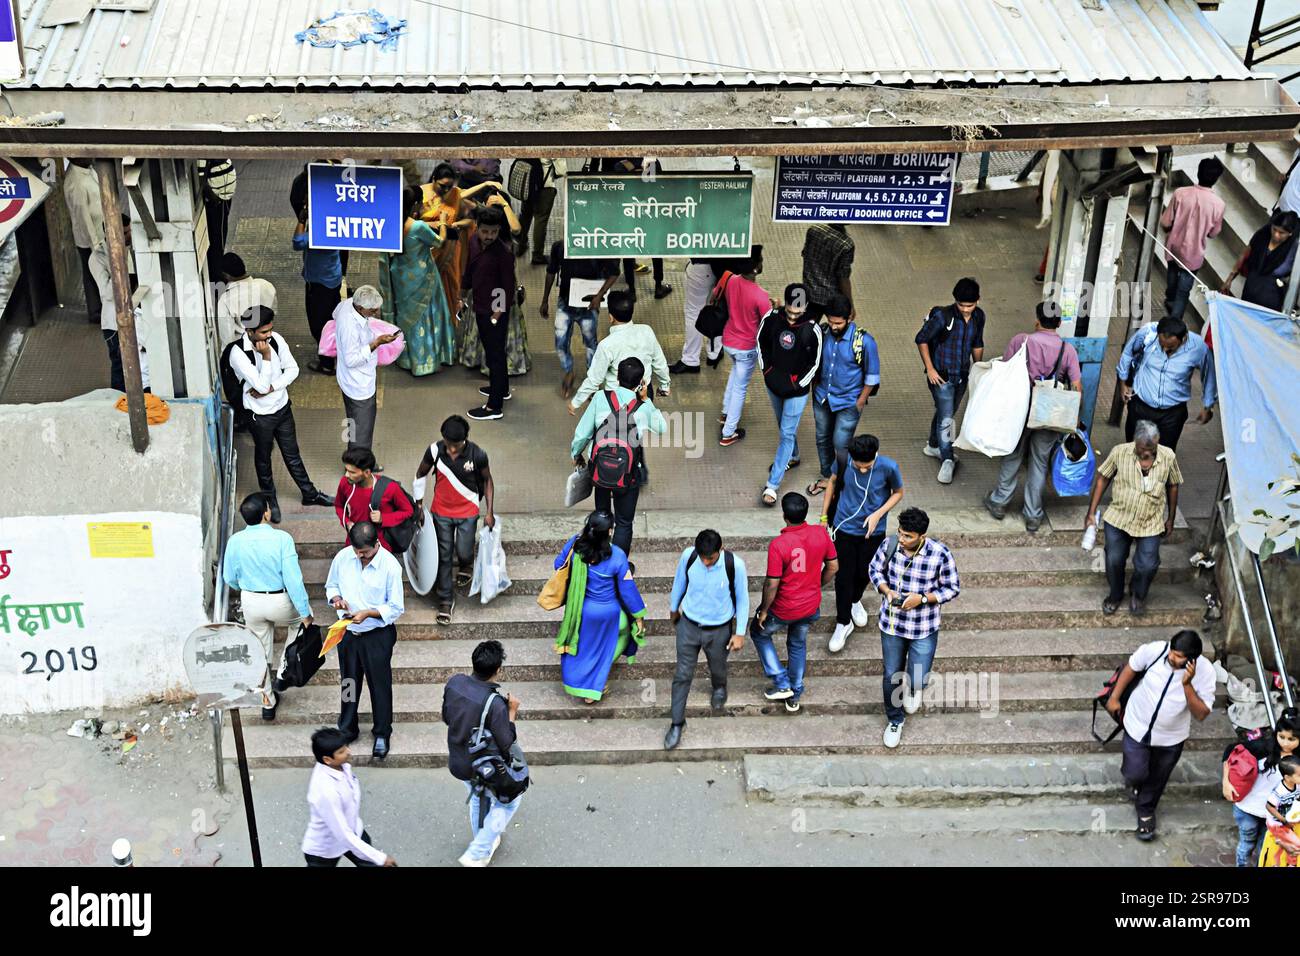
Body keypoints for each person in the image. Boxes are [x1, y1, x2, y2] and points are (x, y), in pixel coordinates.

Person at [226, 306, 334, 522]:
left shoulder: (276, 339)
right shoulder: (237, 353)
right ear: (250, 331)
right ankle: (270, 500)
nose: (269, 335)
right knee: (264, 458)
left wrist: (274, 387)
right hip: (259, 416)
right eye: (264, 332)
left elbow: (292, 370)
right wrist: (266, 357)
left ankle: (309, 494)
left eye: (270, 330)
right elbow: (260, 384)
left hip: (282, 408)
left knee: (292, 454)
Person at [1105, 630, 1214, 842]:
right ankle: (1135, 784)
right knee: (1134, 771)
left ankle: (1145, 812)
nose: (1173, 658)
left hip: (1171, 736)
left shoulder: (1206, 672)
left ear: (1192, 659)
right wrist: (1115, 698)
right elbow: (1130, 668)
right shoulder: (1154, 651)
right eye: (1172, 652)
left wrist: (1187, 684)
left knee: (1157, 777)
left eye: (1179, 656)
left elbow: (1201, 714)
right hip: (1137, 724)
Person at [984, 301, 1083, 533]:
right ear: (1059, 323)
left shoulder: (1021, 341)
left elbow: (1005, 372)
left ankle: (999, 502)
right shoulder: (1067, 350)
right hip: (1049, 412)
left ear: (1037, 320)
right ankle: (1033, 515)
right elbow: (1076, 385)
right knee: (1039, 462)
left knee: (1013, 456)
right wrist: (1074, 418)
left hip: (1019, 408)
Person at [868, 507, 961, 749]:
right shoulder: (890, 545)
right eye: (900, 533)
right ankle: (895, 720)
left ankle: (914, 688)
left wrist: (920, 599)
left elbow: (952, 588)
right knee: (891, 675)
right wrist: (886, 591)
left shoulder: (940, 554)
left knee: (919, 676)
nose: (902, 539)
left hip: (923, 627)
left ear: (922, 536)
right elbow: (875, 570)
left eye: (908, 536)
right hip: (892, 624)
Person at [223, 493, 314, 720]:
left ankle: (267, 703)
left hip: (251, 601)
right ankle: (284, 670)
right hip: (279, 600)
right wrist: (305, 611)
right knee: (297, 626)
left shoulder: (234, 541)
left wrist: (244, 586)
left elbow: (228, 578)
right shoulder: (282, 539)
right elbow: (293, 579)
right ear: (266, 513)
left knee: (260, 651)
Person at [571, 357, 667, 556]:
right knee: (624, 522)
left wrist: (576, 454)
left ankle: (598, 558)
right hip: (628, 473)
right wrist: (646, 399)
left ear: (616, 377)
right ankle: (619, 566)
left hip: (600, 469)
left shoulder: (600, 398)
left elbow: (582, 434)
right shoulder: (643, 407)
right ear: (641, 382)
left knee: (602, 514)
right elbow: (661, 427)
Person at [1086, 421, 1183, 617]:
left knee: (1148, 565)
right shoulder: (1120, 452)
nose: (1145, 453)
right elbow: (1103, 478)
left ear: (1157, 444)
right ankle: (1115, 595)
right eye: (1141, 449)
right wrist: (1091, 512)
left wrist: (1171, 518)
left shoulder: (1168, 457)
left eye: (1150, 449)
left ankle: (1138, 594)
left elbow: (1173, 485)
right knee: (1113, 559)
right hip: (1119, 517)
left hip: (1150, 521)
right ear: (1135, 443)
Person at [325, 521, 405, 759]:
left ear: (377, 545)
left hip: (377, 635)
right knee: (348, 682)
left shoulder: (390, 566)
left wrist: (368, 613)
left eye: (365, 553)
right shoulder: (342, 558)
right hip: (348, 632)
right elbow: (331, 585)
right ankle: (347, 726)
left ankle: (382, 732)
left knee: (379, 685)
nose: (360, 557)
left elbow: (396, 607)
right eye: (357, 552)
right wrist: (337, 598)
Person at [664, 529, 749, 750]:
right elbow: (679, 582)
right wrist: (674, 609)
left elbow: (742, 599)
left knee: (717, 666)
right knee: (682, 674)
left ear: (720, 549)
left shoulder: (735, 565)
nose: (705, 562)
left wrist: (739, 632)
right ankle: (676, 723)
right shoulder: (689, 556)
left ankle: (719, 688)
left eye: (710, 558)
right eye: (702, 557)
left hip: (719, 629)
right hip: (689, 626)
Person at [753, 493, 837, 713]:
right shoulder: (821, 534)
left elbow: (772, 584)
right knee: (797, 643)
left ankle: (781, 682)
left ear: (784, 516)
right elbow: (833, 567)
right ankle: (795, 694)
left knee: (759, 633)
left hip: (784, 607)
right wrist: (817, 585)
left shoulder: (779, 544)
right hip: (810, 606)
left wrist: (763, 611)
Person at [552, 511, 648, 704]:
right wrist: (639, 617)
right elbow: (628, 590)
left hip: (583, 611)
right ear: (610, 531)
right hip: (610, 613)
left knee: (582, 648)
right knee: (623, 634)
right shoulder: (618, 556)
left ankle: (586, 684)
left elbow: (558, 565)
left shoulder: (575, 545)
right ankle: (598, 677)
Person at [442, 640, 522, 866]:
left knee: (478, 800)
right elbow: (506, 742)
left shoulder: (454, 682)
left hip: (458, 759)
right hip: (483, 766)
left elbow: (447, 717)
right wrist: (512, 713)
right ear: (497, 670)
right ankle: (479, 849)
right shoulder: (495, 703)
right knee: (509, 802)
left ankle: (483, 843)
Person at [822, 434, 904, 654]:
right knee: (843, 577)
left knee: (865, 573)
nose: (863, 470)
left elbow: (898, 493)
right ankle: (842, 622)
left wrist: (878, 514)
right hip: (844, 527)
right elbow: (831, 482)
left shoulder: (888, 467)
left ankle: (855, 599)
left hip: (873, 531)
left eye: (867, 466)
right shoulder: (843, 460)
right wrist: (823, 518)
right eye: (859, 466)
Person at [413, 415, 496, 626]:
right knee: (444, 555)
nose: (451, 450)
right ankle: (445, 599)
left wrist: (489, 512)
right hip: (441, 512)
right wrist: (419, 504)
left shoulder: (477, 454)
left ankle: (467, 565)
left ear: (465, 440)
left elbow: (487, 480)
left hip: (468, 511)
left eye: (456, 446)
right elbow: (421, 475)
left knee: (465, 549)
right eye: (448, 445)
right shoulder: (434, 450)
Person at [757, 283, 823, 506]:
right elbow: (760, 344)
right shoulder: (772, 318)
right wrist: (767, 372)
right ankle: (793, 456)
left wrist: (797, 384)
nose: (793, 316)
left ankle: (772, 485)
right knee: (783, 425)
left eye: (798, 312)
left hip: (797, 392)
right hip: (773, 385)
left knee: (786, 432)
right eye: (790, 311)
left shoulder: (813, 329)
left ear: (805, 307)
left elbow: (815, 364)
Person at [915, 277, 986, 484]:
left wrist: (977, 368)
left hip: (962, 375)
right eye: (961, 305)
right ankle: (947, 458)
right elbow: (921, 339)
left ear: (978, 301)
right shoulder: (943, 317)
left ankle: (933, 444)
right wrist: (930, 369)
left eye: (970, 305)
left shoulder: (979, 317)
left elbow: (977, 343)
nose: (965, 309)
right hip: (942, 378)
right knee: (947, 418)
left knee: (946, 412)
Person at [808, 293, 879, 497]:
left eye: (838, 323)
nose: (834, 326)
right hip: (822, 397)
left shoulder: (864, 341)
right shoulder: (821, 333)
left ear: (849, 318)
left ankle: (838, 477)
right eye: (830, 322)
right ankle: (826, 475)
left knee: (841, 443)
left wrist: (860, 402)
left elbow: (872, 377)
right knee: (822, 438)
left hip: (849, 401)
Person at [378, 187, 454, 376]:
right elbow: (439, 241)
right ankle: (426, 362)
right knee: (426, 316)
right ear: (416, 204)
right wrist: (443, 223)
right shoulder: (418, 227)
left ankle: (405, 359)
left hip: (400, 277)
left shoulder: (390, 223)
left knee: (406, 316)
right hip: (422, 276)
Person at [461, 204, 525, 420]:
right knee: (493, 352)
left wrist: (497, 315)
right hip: (479, 304)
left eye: (494, 232)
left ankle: (494, 407)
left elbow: (506, 288)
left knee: (495, 356)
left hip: (494, 311)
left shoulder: (503, 254)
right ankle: (502, 389)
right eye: (485, 231)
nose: (489, 236)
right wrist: (463, 293)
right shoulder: (473, 242)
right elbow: (469, 269)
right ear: (477, 228)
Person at [1115, 315, 1216, 451]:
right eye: (1162, 345)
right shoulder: (1147, 333)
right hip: (1141, 406)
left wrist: (1208, 406)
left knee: (1164, 455)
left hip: (1172, 414)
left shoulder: (1198, 348)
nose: (1165, 350)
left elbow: (1209, 374)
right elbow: (1128, 353)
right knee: (1134, 450)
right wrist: (1123, 384)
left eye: (1171, 347)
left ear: (1184, 338)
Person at [302, 727, 396, 867]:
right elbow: (343, 834)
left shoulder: (338, 766)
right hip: (326, 849)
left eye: (346, 746)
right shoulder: (326, 792)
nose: (348, 751)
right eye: (341, 751)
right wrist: (380, 858)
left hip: (353, 831)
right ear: (327, 759)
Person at [569, 291, 671, 413]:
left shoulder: (606, 345)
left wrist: (576, 402)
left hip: (617, 400)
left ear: (611, 317)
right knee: (638, 427)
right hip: (644, 393)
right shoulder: (646, 331)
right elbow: (660, 363)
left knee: (615, 429)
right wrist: (665, 386)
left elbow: (594, 379)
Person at [541, 240, 619, 398]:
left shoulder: (598, 247)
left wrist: (599, 296)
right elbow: (551, 271)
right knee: (560, 342)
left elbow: (614, 273)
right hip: (565, 303)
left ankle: (593, 381)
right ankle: (569, 371)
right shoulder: (560, 247)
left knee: (591, 343)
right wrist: (545, 300)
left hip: (589, 306)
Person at [1224, 713, 1299, 867]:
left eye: (1291, 739)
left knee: (1264, 849)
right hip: (1247, 809)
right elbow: (1231, 751)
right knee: (1246, 844)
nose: (1285, 743)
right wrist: (1226, 782)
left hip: (1274, 817)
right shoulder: (1262, 747)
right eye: (1281, 736)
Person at [88, 213, 150, 394]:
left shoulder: (132, 247)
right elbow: (106, 293)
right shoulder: (98, 257)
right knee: (120, 367)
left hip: (137, 315)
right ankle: (118, 402)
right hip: (114, 324)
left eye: (130, 231)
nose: (130, 236)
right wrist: (124, 274)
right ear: (112, 233)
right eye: (125, 233)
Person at [719, 246, 774, 446]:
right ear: (756, 268)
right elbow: (767, 322)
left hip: (729, 340)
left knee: (734, 375)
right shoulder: (760, 295)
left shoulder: (730, 280)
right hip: (747, 347)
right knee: (741, 388)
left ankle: (725, 412)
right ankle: (728, 432)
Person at [1158, 157, 1225, 323]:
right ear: (1216, 179)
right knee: (1184, 291)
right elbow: (1213, 233)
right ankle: (1175, 320)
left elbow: (1166, 222)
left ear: (1198, 172)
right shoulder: (1218, 204)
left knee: (1172, 279)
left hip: (1173, 247)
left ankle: (1170, 300)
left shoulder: (1180, 193)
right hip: (1194, 255)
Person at [596, 157, 672, 300]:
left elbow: (616, 185)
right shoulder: (652, 163)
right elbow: (660, 185)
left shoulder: (620, 166)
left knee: (628, 249)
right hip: (650, 212)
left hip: (629, 214)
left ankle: (631, 290)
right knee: (656, 249)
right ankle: (658, 286)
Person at [334, 285, 394, 451]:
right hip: (358, 385)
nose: (376, 314)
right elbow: (352, 360)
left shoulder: (347, 304)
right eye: (373, 311)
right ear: (360, 308)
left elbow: (334, 314)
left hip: (349, 381)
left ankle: (354, 458)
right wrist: (376, 343)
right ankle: (359, 464)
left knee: (354, 423)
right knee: (362, 428)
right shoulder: (350, 327)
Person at [292, 198, 343, 376]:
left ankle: (327, 363)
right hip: (333, 279)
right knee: (332, 319)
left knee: (319, 324)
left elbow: (297, 242)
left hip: (319, 284)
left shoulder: (317, 234)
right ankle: (336, 352)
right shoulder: (338, 225)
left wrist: (301, 221)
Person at [334, 447, 415, 554]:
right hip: (354, 543)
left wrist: (384, 518)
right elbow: (339, 506)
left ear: (367, 472)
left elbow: (408, 512)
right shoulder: (345, 483)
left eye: (352, 472)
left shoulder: (390, 488)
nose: (346, 475)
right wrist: (347, 522)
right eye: (346, 470)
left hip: (380, 547)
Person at [1223, 209, 1299, 313]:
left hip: (1270, 299)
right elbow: (1245, 255)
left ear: (1290, 233)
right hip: (1250, 289)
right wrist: (1230, 279)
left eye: (1281, 233)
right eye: (1274, 229)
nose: (1276, 235)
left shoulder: (1293, 249)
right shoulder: (1263, 235)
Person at [63, 158, 104, 325]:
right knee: (92, 274)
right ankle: (96, 312)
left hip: (101, 232)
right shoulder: (75, 181)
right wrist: (95, 244)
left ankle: (102, 307)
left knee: (98, 273)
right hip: (89, 240)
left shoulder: (89, 169)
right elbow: (83, 217)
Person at [669, 257, 726, 374]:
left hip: (701, 267)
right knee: (719, 308)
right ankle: (714, 352)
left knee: (693, 312)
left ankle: (691, 360)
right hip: (726, 270)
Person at [215, 253, 278, 346]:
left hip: (244, 348)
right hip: (268, 341)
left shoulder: (225, 300)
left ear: (226, 275)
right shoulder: (266, 285)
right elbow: (273, 312)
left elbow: (227, 339)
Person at [512, 158, 563, 264]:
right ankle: (537, 256)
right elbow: (561, 171)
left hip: (527, 184)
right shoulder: (553, 144)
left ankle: (519, 246)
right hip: (545, 187)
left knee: (525, 216)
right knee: (540, 221)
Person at [801, 222, 855, 316]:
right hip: (830, 296)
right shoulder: (846, 245)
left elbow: (804, 253)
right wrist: (850, 304)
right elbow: (843, 277)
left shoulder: (814, 229)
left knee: (805, 324)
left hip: (808, 289)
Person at [197, 159, 237, 281]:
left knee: (220, 233)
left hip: (222, 198)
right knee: (217, 237)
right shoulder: (203, 153)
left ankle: (217, 269)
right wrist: (214, 198)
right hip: (217, 201)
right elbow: (201, 178)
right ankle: (217, 273)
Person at [1259, 755, 1300, 867]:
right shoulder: (1279, 792)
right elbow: (1269, 806)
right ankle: (1292, 864)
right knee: (1297, 844)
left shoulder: (1297, 786)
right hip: (1277, 825)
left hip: (1290, 819)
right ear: (1287, 777)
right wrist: (1284, 820)